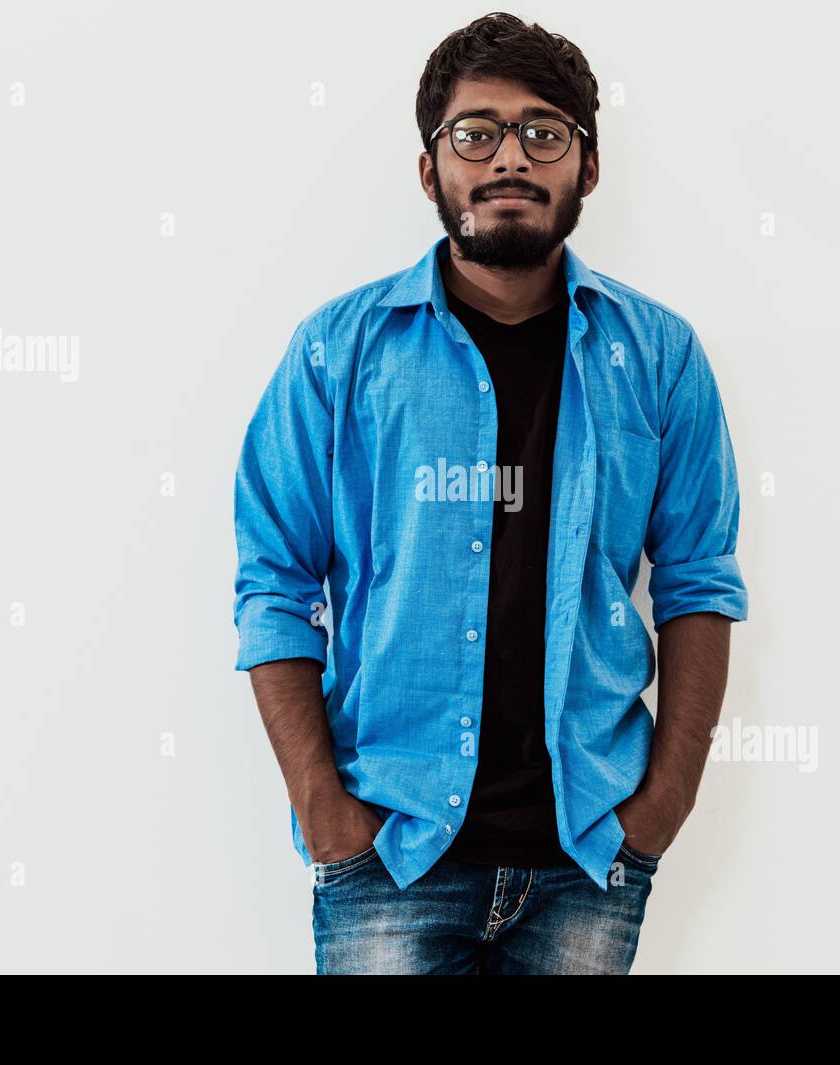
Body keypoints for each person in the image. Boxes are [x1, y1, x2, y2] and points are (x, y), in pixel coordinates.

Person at [232, 12, 748, 974]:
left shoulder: (661, 359)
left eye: (543, 132)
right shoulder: (334, 355)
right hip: (390, 851)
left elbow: (698, 581)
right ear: (430, 170)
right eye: (476, 133)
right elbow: (274, 581)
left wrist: (665, 800)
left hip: (587, 860)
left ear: (587, 168)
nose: (510, 157)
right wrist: (320, 805)